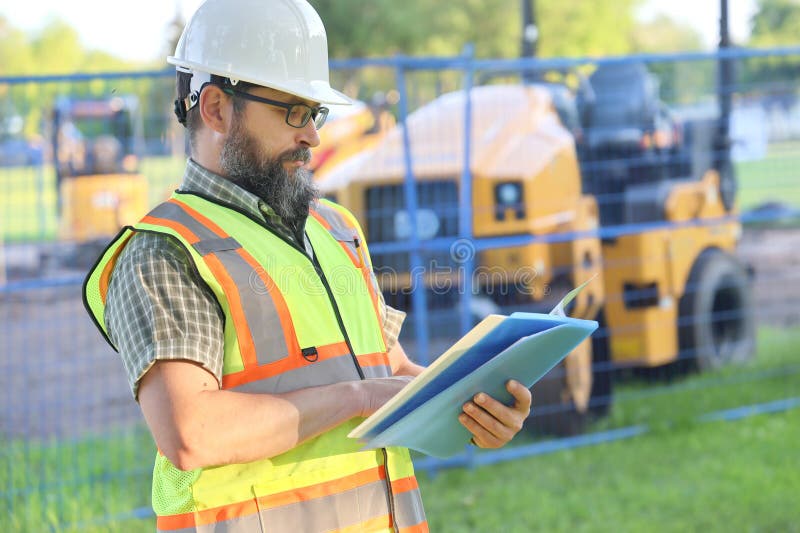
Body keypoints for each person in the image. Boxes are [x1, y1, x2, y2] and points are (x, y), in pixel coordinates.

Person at [83, 0, 531, 531]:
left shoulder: (337, 229)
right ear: (217, 109)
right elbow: (191, 432)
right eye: (293, 112)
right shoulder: (168, 252)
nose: (313, 135)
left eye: (315, 114)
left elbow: (391, 372)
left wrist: (475, 404)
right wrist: (358, 398)